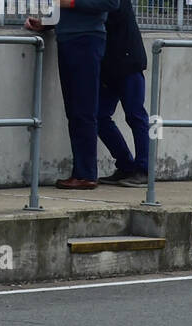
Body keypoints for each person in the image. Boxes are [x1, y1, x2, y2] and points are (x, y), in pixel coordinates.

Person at [26, 0, 121, 190]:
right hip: (69, 39)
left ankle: (86, 174)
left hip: (86, 40)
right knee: (75, 110)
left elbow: (111, 3)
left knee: (83, 110)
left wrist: (72, 3)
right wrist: (46, 23)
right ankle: (82, 172)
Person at [96, 0, 149, 188]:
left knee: (135, 115)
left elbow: (99, 9)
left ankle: (143, 170)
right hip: (111, 66)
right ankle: (126, 165)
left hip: (128, 62)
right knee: (98, 116)